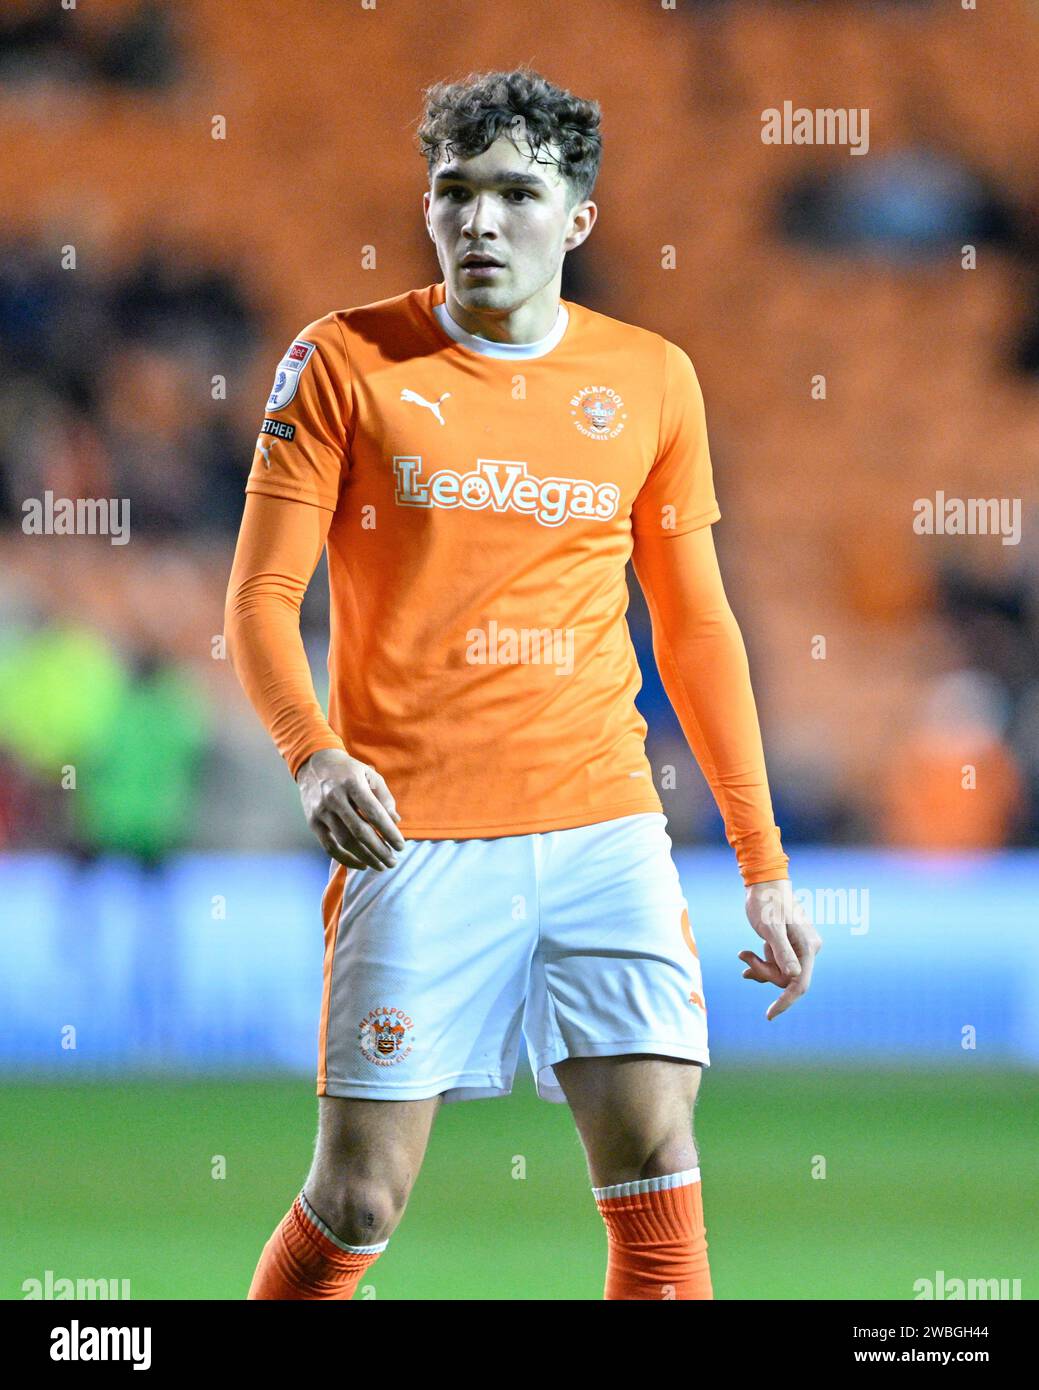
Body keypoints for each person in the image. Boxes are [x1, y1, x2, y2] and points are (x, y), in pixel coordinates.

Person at [224, 66, 822, 1302]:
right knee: (358, 1198)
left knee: (659, 1166)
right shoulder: (345, 361)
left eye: (515, 192)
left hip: (604, 826)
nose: (479, 221)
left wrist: (761, 864)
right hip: (415, 836)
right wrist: (312, 749)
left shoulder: (652, 379)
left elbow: (696, 628)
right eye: (454, 191)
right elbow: (259, 599)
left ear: (578, 218)